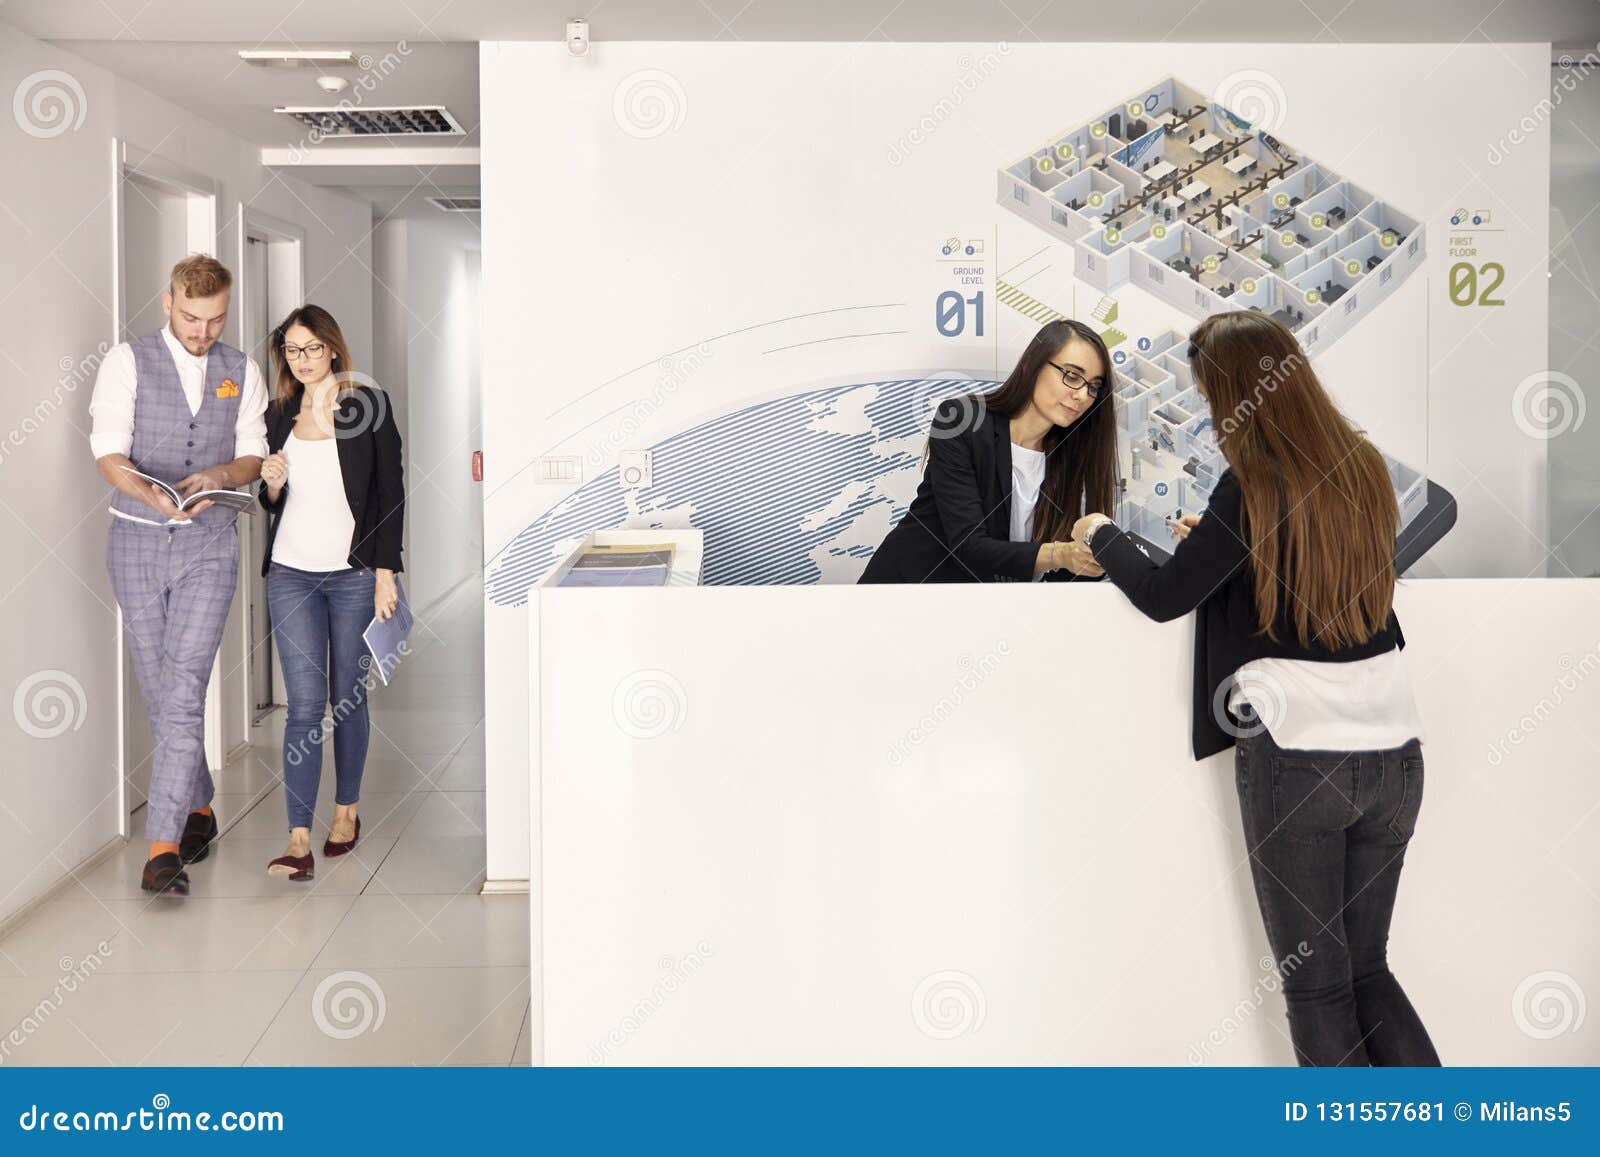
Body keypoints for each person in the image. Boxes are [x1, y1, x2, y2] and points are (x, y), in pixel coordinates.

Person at [1073, 310, 1438, 1066]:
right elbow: (1322, 578)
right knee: (1368, 968)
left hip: (1303, 758)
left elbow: (1165, 595)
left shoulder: (1252, 486)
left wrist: (1100, 534)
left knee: (1319, 989)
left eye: (1212, 395)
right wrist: (1216, 541)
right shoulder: (1361, 466)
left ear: (1239, 393)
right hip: (1397, 758)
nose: (1211, 414)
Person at [91, 254, 267, 895]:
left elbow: (252, 454)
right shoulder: (127, 361)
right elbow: (107, 452)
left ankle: (162, 847)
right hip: (135, 541)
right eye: (192, 318)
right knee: (160, 683)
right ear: (168, 303)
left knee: (186, 683)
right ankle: (198, 805)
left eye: (215, 319)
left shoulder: (239, 369)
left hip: (211, 543)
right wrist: (148, 494)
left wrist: (220, 477)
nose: (203, 332)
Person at [258, 305, 404, 882]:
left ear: (334, 349)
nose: (304, 360)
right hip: (292, 573)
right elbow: (274, 501)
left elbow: (390, 493)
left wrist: (386, 572)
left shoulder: (367, 406)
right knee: (302, 707)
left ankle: (345, 813)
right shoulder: (277, 416)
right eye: (293, 351)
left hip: (353, 574)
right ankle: (298, 838)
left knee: (348, 699)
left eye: (312, 348)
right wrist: (270, 488)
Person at [859, 319, 1116, 584]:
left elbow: (1062, 575)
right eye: (1072, 376)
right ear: (1031, 365)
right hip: (904, 594)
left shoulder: (1070, 455)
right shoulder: (961, 421)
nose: (1083, 395)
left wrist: (1103, 557)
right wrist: (1061, 554)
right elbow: (969, 547)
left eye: (1093, 386)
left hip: (987, 610)